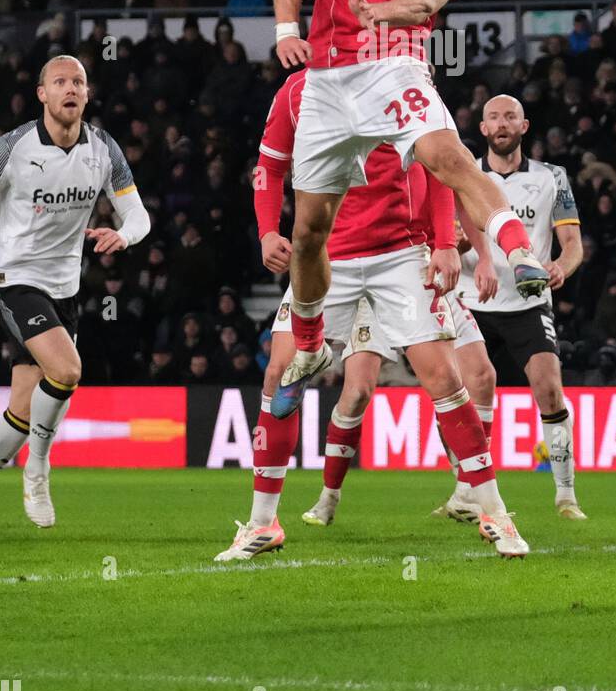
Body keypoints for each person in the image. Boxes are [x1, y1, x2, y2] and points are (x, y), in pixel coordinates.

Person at [270, 0, 548, 428]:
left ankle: (518, 251)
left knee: (446, 156)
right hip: (325, 81)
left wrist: (386, 14)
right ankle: (312, 345)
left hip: (393, 66)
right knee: (311, 230)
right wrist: (288, 30)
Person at [214, 68, 525, 560]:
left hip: (398, 255)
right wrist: (267, 232)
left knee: (443, 377)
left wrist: (445, 244)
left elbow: (442, 167)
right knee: (281, 374)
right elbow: (270, 167)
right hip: (325, 258)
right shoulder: (297, 91)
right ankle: (261, 524)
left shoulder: (402, 80)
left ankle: (495, 513)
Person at [0, 55, 150, 536]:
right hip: (11, 280)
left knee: (25, 408)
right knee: (68, 369)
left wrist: (125, 237)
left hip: (64, 290)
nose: (70, 88)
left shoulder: (103, 149)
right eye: (60, 81)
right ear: (42, 94)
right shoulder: (12, 148)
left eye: (78, 81)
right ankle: (38, 469)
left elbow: (138, 215)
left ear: (87, 95)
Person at [449, 93, 587, 521]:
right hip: (471, 300)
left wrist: (561, 267)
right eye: (494, 117)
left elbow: (572, 245)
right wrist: (453, 243)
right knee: (461, 397)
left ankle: (566, 496)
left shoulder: (552, 178)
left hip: (528, 302)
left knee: (549, 389)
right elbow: (448, 232)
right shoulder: (465, 175)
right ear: (484, 129)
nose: (503, 123)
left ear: (524, 127)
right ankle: (466, 493)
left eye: (511, 116)